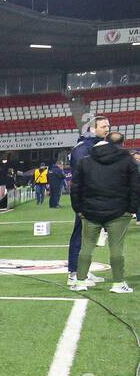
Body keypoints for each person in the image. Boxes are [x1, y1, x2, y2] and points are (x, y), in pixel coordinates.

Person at [70, 130, 140, 294]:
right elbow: (135, 187)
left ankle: (80, 281)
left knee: (86, 247)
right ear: (122, 143)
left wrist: (78, 209)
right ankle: (117, 283)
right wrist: (131, 209)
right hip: (119, 212)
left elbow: (76, 188)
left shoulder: (85, 160)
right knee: (116, 248)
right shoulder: (127, 160)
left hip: (90, 211)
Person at [67, 115, 111, 288]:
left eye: (108, 126)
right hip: (86, 199)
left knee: (89, 237)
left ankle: (82, 270)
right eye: (103, 126)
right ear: (93, 129)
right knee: (80, 235)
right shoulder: (82, 148)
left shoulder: (96, 146)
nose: (107, 129)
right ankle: (73, 273)